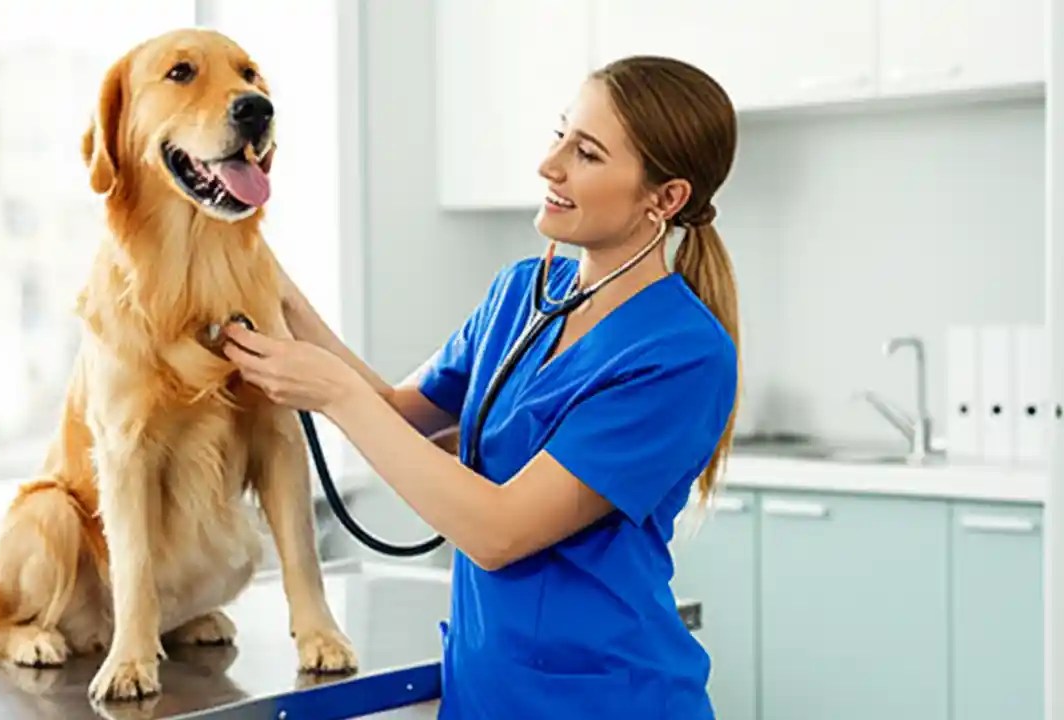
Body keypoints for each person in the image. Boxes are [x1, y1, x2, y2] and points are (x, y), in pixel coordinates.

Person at [223, 54, 741, 718]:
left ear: (664, 199)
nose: (549, 165)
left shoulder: (680, 354)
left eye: (585, 153)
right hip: (486, 689)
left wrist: (332, 394)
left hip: (605, 697)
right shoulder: (521, 292)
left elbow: (499, 531)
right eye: (559, 134)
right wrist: (269, 281)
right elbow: (400, 415)